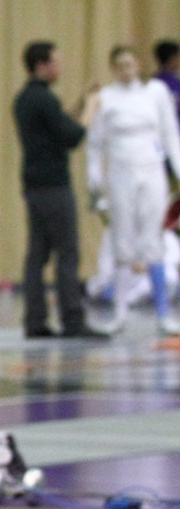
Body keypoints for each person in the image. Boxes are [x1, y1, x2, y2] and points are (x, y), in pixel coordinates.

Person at [13, 40, 105, 339]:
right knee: (67, 253)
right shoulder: (45, 99)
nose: (59, 67)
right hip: (54, 185)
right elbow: (72, 136)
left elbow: (56, 126)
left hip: (34, 186)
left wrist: (79, 103)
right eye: (56, 61)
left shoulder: (25, 98)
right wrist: (91, 108)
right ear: (42, 65)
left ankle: (35, 321)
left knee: (37, 255)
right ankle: (73, 321)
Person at [87, 45, 180, 334]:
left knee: (153, 239)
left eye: (130, 64)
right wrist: (94, 181)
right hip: (120, 174)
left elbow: (170, 135)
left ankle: (164, 314)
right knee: (122, 240)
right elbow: (95, 144)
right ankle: (120, 313)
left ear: (138, 64)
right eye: (120, 65)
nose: (126, 70)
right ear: (114, 68)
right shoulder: (107, 99)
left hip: (151, 172)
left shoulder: (156, 93)